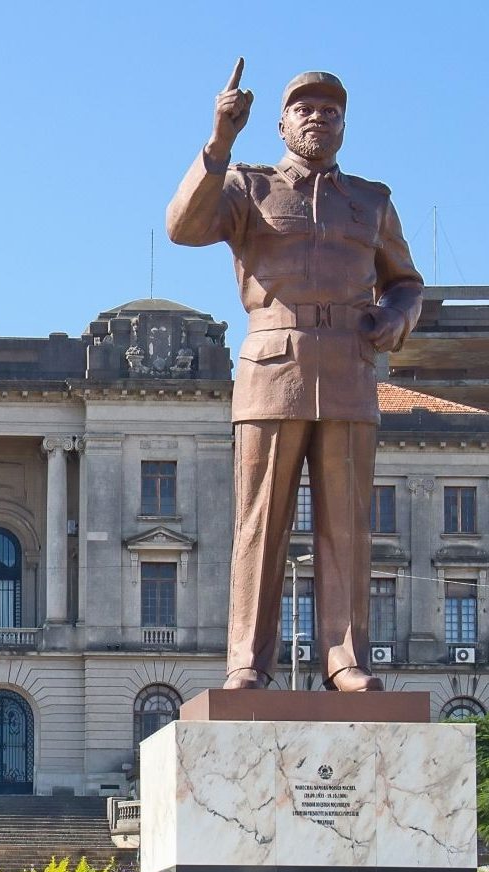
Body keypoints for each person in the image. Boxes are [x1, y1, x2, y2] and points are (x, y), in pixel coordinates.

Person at [166, 61, 423, 691]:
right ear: (281, 124)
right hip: (272, 365)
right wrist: (219, 141)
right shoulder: (247, 186)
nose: (318, 118)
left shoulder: (371, 201)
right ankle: (248, 661)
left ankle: (345, 659)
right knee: (260, 522)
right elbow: (183, 227)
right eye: (304, 109)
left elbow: (405, 281)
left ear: (344, 126)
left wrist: (396, 314)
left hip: (349, 368)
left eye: (331, 110)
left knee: (347, 527)